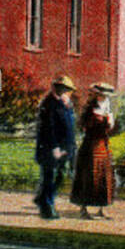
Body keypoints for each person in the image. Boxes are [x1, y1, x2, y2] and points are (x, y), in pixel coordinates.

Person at [71, 82, 118, 219]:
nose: (103, 98)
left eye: (105, 96)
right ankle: (83, 209)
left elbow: (111, 128)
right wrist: (96, 123)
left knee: (104, 177)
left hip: (103, 146)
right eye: (101, 95)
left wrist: (109, 124)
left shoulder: (107, 109)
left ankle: (101, 209)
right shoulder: (89, 110)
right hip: (90, 146)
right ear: (96, 96)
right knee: (89, 176)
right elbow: (83, 125)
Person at [33, 75, 77, 219]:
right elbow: (48, 128)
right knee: (49, 177)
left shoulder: (66, 104)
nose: (65, 91)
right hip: (51, 148)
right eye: (63, 88)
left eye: (67, 89)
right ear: (56, 88)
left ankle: (42, 199)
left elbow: (70, 127)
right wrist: (54, 147)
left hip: (65, 147)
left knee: (60, 175)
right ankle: (47, 206)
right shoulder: (49, 103)